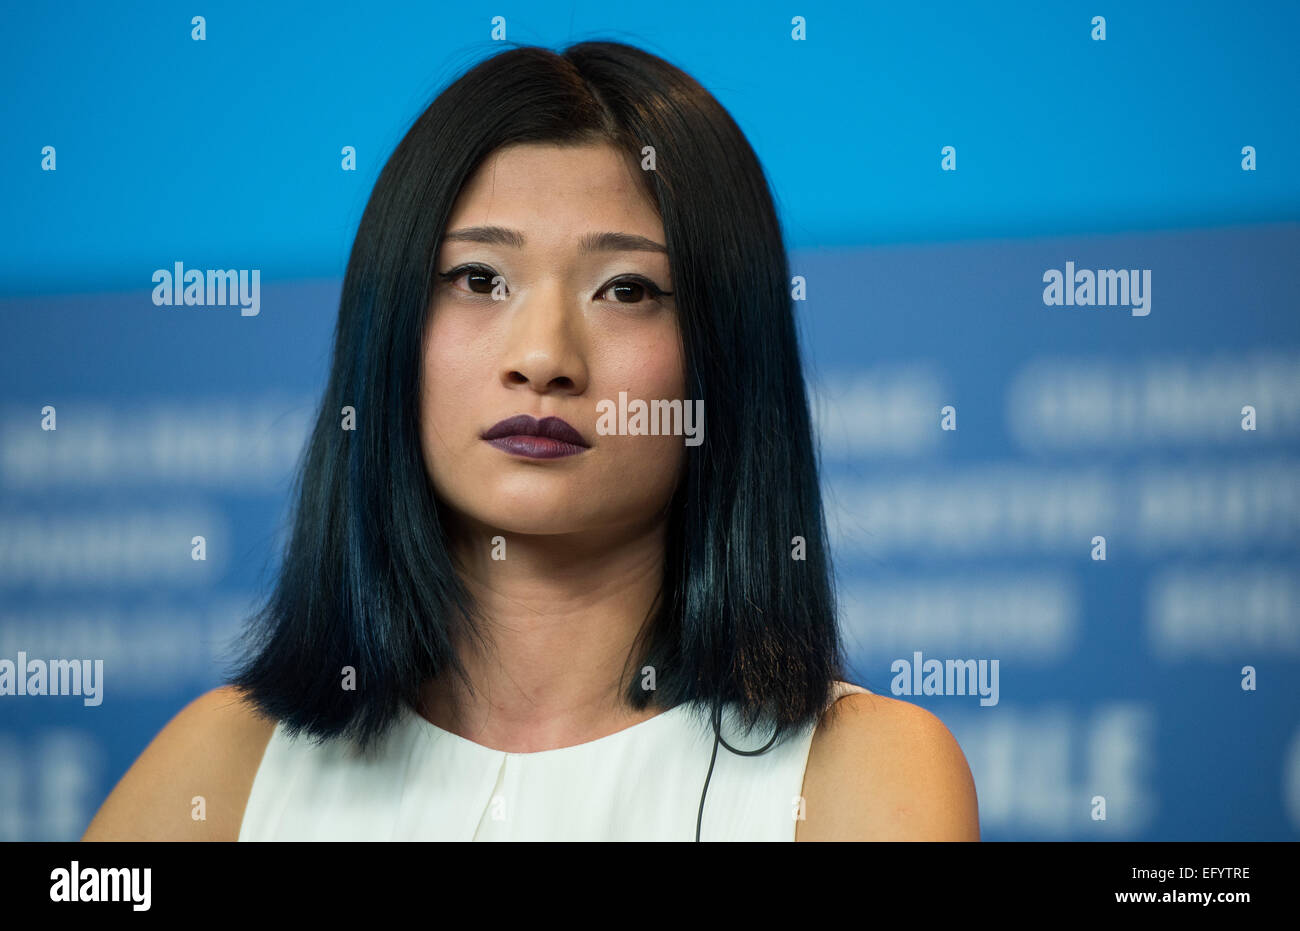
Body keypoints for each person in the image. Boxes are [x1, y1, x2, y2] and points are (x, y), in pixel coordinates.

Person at [83, 40, 978, 841]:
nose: (544, 356)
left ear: (725, 359)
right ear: (388, 328)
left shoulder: (863, 775)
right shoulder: (223, 767)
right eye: (478, 277)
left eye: (626, 289)